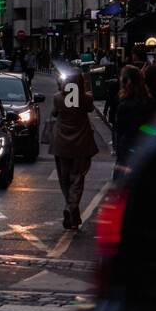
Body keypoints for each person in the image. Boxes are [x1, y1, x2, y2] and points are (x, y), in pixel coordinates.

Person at [50, 69, 98, 232]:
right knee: (77, 178)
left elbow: (54, 113)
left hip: (62, 143)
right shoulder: (86, 98)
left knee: (64, 179)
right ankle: (71, 209)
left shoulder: (57, 98)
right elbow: (90, 109)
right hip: (81, 143)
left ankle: (71, 211)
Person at [113, 65, 149, 175]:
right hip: (144, 147)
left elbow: (119, 129)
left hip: (127, 148)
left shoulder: (124, 105)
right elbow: (153, 128)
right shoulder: (148, 102)